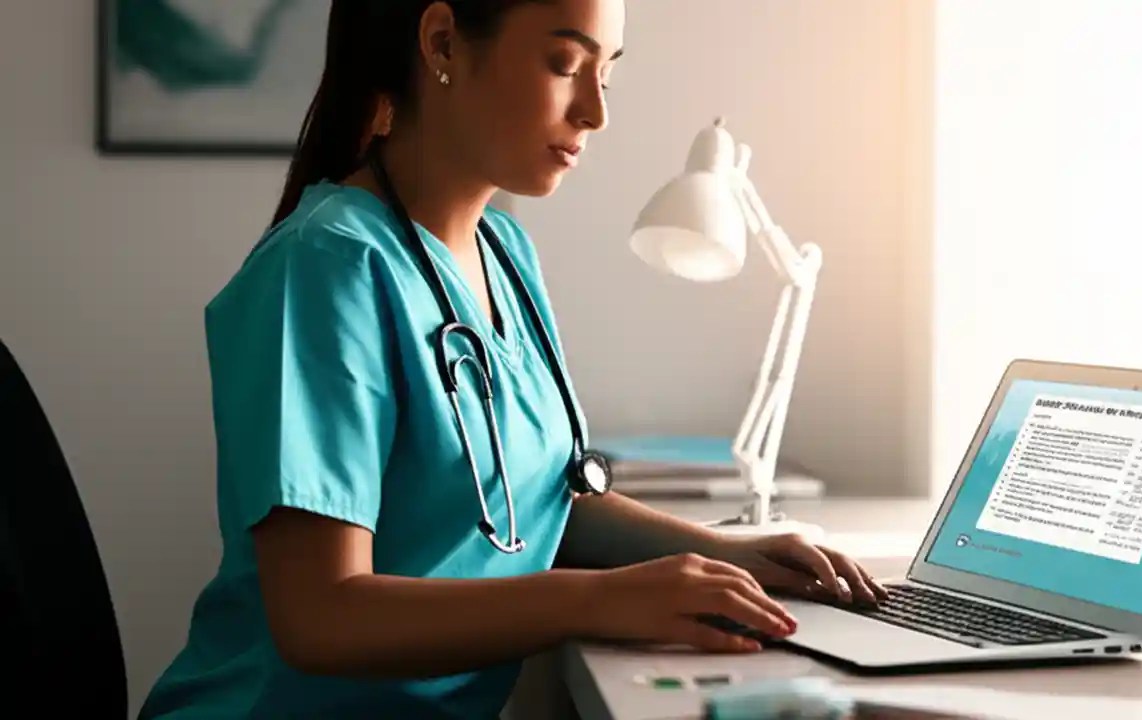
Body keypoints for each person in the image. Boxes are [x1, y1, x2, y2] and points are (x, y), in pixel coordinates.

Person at [139, 1, 888, 718]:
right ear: (440, 44)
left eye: (608, 74)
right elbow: (321, 616)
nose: (595, 111)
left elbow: (538, 503)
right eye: (566, 63)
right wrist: (599, 599)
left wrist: (732, 555)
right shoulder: (328, 267)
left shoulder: (506, 253)